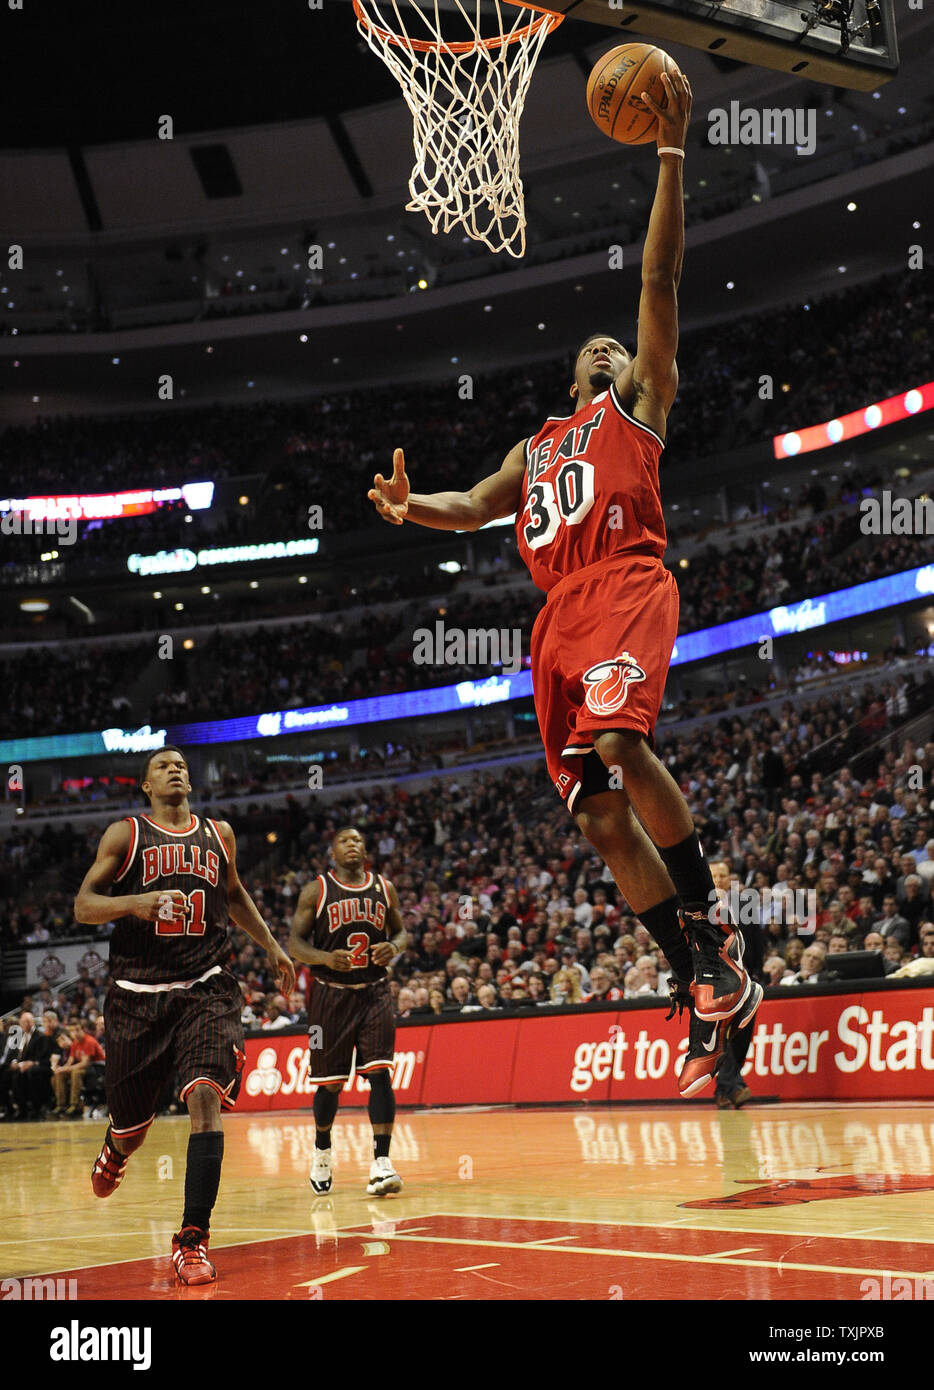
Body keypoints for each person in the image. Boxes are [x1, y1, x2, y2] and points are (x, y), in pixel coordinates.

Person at [368, 68, 761, 1100]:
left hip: (626, 584)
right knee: (593, 815)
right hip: (556, 621)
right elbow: (470, 502)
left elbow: (660, 285)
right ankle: (700, 984)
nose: (608, 342)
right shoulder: (537, 444)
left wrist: (671, 154)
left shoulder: (644, 405)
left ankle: (714, 929)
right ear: (572, 376)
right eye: (592, 346)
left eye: (616, 342)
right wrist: (413, 506)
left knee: (624, 741)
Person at [74, 745, 294, 1287]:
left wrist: (272, 946)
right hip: (136, 996)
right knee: (133, 1130)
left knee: (203, 1097)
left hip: (205, 988)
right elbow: (83, 905)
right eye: (161, 766)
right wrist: (134, 904)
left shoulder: (218, 834)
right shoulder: (125, 835)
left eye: (180, 764)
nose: (175, 769)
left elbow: (235, 894)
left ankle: (191, 1239)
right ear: (146, 786)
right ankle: (116, 1144)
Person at [288, 827, 406, 1199]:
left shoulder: (384, 888)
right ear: (333, 852)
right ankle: (323, 1149)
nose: (352, 844)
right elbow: (294, 944)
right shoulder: (316, 891)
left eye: (358, 840)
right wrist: (325, 958)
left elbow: (402, 933)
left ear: (366, 849)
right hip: (330, 997)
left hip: (375, 993)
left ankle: (381, 1163)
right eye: (344, 841)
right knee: (329, 1085)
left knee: (381, 1075)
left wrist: (393, 946)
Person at [52, 1019, 105, 1118]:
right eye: (72, 1031)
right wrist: (61, 1069)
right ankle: (61, 1105)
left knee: (75, 1073)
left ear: (82, 1030)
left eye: (77, 1030)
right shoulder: (75, 1043)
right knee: (59, 1074)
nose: (75, 1033)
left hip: (97, 1069)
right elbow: (70, 1061)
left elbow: (85, 1063)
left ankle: (74, 1104)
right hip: (86, 1069)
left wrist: (66, 1068)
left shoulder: (89, 1041)